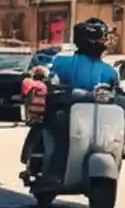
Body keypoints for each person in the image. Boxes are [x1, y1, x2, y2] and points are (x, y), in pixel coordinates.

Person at [39, 19, 119, 186]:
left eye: (103, 38)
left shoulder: (109, 71)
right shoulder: (63, 61)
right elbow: (50, 76)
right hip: (69, 111)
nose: (101, 42)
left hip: (99, 116)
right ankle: (54, 169)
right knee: (61, 126)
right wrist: (49, 79)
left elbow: (116, 91)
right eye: (98, 38)